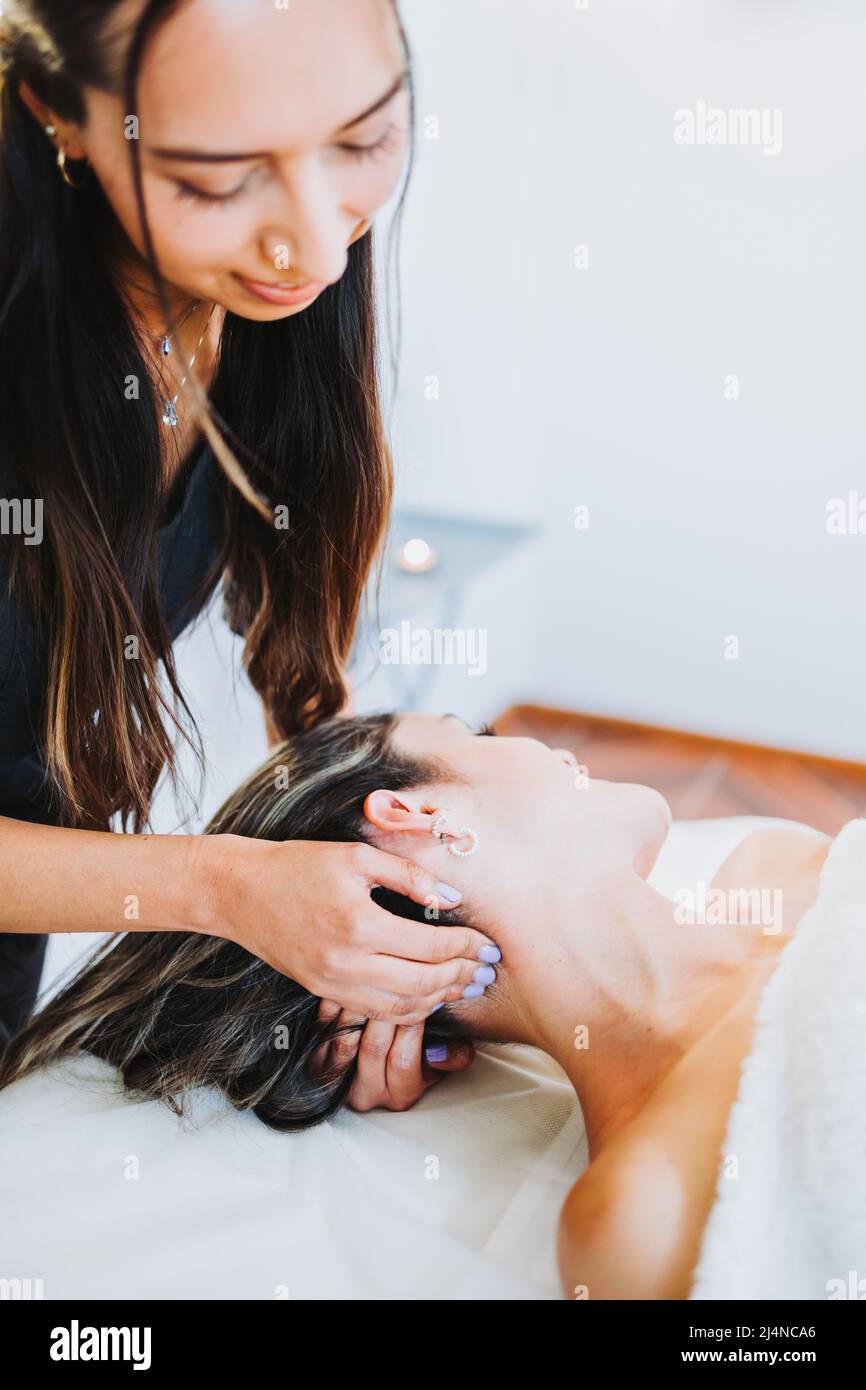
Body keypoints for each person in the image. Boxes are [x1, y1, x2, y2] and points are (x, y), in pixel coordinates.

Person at [0, 0, 499, 1103]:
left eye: (362, 142)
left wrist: (366, 953)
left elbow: (302, 690)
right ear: (55, 118)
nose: (319, 245)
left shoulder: (253, 321)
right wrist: (224, 887)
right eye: (217, 182)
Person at [0, 709, 832, 1296]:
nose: (536, 745)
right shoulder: (643, 1219)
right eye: (475, 734)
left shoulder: (787, 872)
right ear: (415, 815)